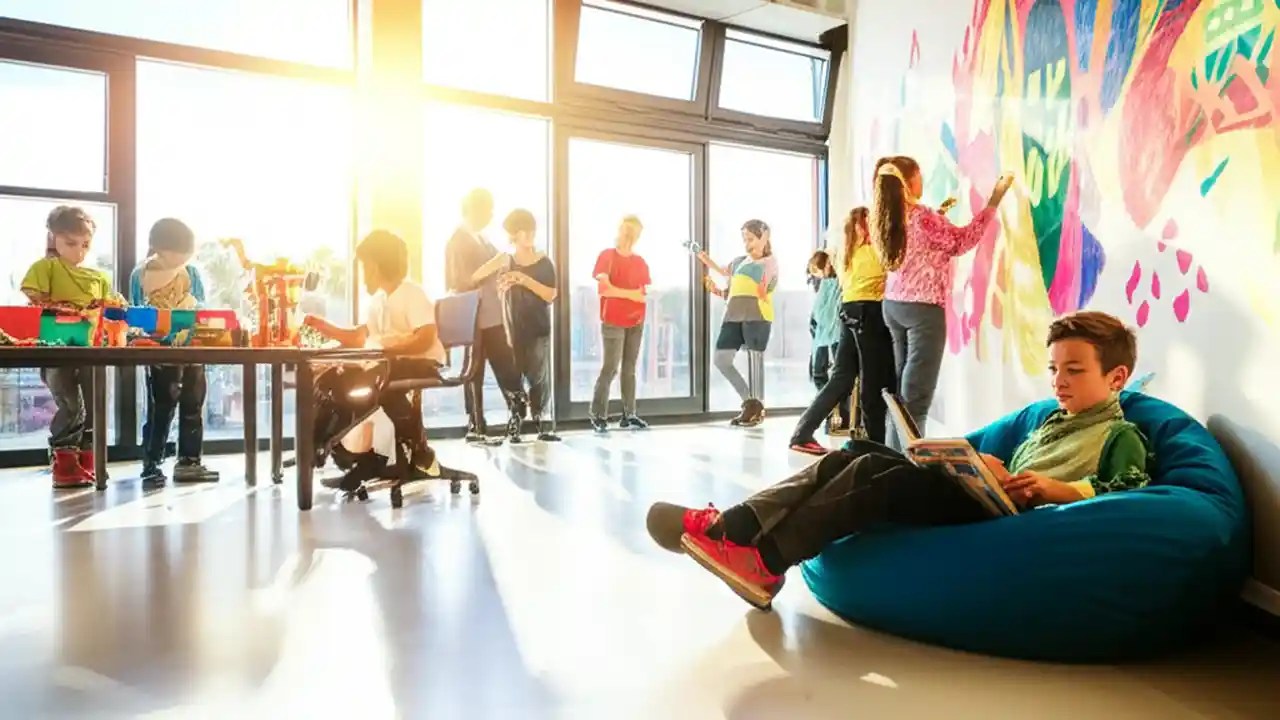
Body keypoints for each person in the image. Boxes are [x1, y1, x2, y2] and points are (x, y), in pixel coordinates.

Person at [647, 310, 1151, 609]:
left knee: (871, 472)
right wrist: (982, 464)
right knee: (857, 450)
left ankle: (767, 560)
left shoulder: (1119, 432)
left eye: (1074, 370)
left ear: (1116, 377)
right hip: (984, 497)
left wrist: (1050, 488)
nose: (1058, 381)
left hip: (1005, 523)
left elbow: (1129, 491)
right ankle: (735, 526)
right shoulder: (1047, 420)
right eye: (1053, 369)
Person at [875, 155, 1013, 448]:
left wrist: (939, 215)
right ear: (909, 181)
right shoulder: (923, 217)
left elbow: (920, 243)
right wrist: (994, 201)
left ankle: (892, 458)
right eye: (919, 175)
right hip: (922, 311)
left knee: (903, 394)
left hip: (894, 306)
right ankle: (909, 469)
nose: (922, 181)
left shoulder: (887, 215)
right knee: (916, 399)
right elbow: (962, 241)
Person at [302, 230, 448, 491]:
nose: (362, 273)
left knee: (372, 383)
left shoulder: (411, 293)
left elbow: (426, 337)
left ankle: (417, 450)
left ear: (377, 266)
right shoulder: (379, 301)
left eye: (364, 266)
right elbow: (360, 336)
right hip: (388, 364)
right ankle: (344, 453)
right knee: (332, 381)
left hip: (419, 361)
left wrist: (387, 350)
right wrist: (324, 327)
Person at [21, 206, 116, 488]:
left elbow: (107, 309)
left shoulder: (99, 277)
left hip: (91, 347)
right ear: (54, 239)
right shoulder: (46, 267)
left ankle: (88, 460)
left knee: (95, 401)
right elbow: (34, 301)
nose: (79, 251)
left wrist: (104, 307)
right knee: (71, 404)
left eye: (85, 245)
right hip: (56, 346)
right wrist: (61, 308)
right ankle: (63, 463)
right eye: (71, 243)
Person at [789, 204, 895, 455]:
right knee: (873, 381)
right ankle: (875, 447)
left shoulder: (844, 253)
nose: (875, 225)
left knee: (841, 378)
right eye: (869, 221)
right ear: (859, 227)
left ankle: (802, 433)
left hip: (849, 312)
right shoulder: (871, 251)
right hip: (868, 312)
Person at [129, 218, 219, 485]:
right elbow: (136, 312)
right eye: (180, 252)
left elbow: (202, 307)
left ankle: (189, 461)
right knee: (160, 406)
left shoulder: (191, 273)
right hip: (157, 350)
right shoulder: (141, 274)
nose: (184, 258)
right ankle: (152, 462)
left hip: (193, 349)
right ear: (160, 248)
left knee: (193, 403)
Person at [445, 188, 528, 444]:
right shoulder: (457, 241)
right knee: (474, 372)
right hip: (475, 316)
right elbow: (457, 281)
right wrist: (489, 268)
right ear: (473, 209)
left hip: (493, 314)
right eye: (487, 210)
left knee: (505, 365)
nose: (491, 215)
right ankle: (477, 423)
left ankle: (516, 411)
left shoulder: (484, 239)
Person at [699, 220, 777, 427]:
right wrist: (714, 285)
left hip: (757, 316)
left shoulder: (769, 262)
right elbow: (731, 287)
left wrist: (763, 285)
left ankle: (755, 410)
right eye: (744, 239)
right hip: (732, 316)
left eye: (751, 238)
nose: (747, 243)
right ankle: (750, 403)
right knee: (721, 359)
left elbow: (764, 289)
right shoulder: (738, 262)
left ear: (764, 237)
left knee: (755, 361)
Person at [497, 209, 560, 442]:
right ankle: (516, 420)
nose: (529, 235)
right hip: (512, 330)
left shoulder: (544, 263)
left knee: (538, 377)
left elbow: (550, 294)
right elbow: (500, 293)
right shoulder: (507, 262)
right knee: (513, 378)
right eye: (524, 231)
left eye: (531, 230)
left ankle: (541, 422)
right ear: (514, 235)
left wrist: (523, 279)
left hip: (538, 328)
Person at [589, 215, 651, 434]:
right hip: (613, 320)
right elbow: (605, 289)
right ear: (619, 229)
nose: (628, 235)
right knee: (610, 367)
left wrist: (620, 292)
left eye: (633, 232)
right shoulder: (607, 256)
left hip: (636, 321)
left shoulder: (640, 262)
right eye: (626, 230)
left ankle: (629, 414)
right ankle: (598, 416)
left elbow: (642, 297)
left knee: (629, 369)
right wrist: (629, 294)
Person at [804, 249, 850, 436]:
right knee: (819, 373)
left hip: (833, 335)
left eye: (815, 269)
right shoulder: (825, 284)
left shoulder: (836, 284)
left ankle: (832, 406)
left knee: (825, 374)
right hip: (823, 336)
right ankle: (831, 406)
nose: (814, 274)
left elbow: (826, 312)